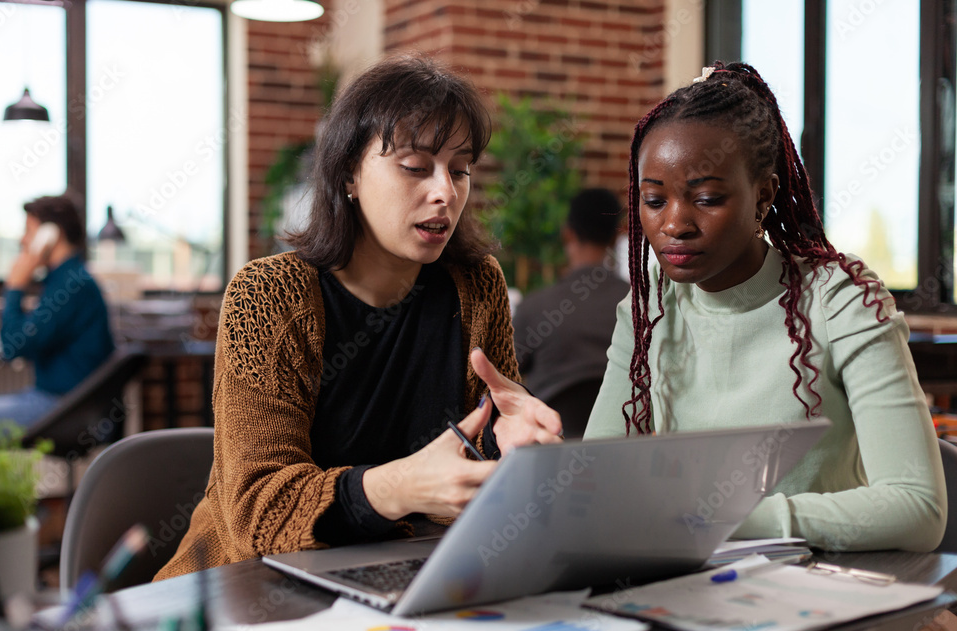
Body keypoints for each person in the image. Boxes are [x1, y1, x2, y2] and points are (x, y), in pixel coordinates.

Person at [155, 55, 562, 580]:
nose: (446, 192)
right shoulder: (269, 296)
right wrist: (400, 487)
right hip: (243, 591)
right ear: (349, 171)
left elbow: (468, 447)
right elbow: (257, 514)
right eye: (416, 167)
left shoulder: (476, 284)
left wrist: (505, 442)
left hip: (405, 578)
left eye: (460, 169)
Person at [585, 62, 946, 553]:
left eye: (707, 198)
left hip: (830, 596)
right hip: (688, 588)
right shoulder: (649, 305)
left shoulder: (841, 297)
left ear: (763, 196)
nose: (675, 224)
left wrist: (723, 519)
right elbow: (596, 484)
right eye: (654, 200)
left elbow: (918, 507)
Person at [0, 194, 115, 434]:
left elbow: (12, 347)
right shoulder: (67, 279)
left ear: (50, 235)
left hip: (64, 406)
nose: (23, 240)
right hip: (62, 400)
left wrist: (15, 286)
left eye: (28, 231)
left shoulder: (71, 286)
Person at [513, 187, 630, 436]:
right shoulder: (640, 307)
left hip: (548, 449)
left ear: (568, 234)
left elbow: (505, 378)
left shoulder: (535, 307)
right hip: (621, 450)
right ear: (614, 239)